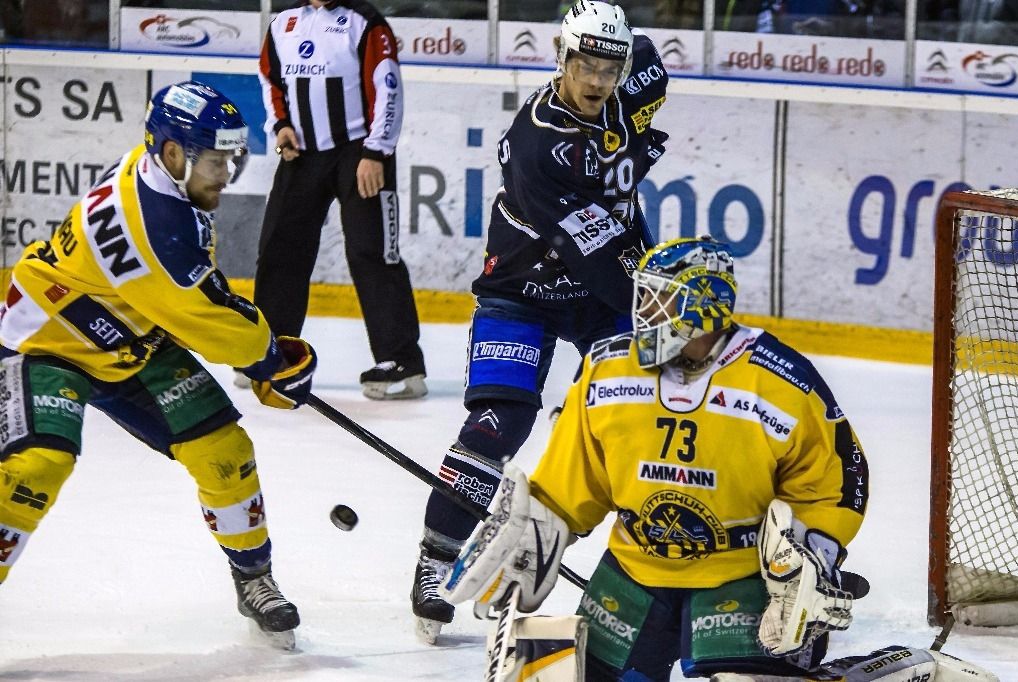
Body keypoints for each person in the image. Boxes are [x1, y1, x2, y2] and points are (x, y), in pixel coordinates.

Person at [441, 237, 1000, 682]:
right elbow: (574, 474)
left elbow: (839, 480)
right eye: (642, 300)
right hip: (637, 564)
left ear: (706, 308)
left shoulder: (780, 381)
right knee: (547, 673)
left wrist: (814, 556)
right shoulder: (608, 369)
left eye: (660, 302)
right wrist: (541, 526)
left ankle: (889, 671)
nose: (643, 316)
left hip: (739, 572)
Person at [0, 81, 317, 650]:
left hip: (128, 334)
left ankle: (253, 579)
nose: (226, 174)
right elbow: (211, 319)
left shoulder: (162, 181)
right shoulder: (158, 228)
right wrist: (272, 358)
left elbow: (185, 306)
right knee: (36, 466)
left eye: (231, 159)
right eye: (216, 160)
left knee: (224, 450)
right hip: (46, 339)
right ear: (173, 153)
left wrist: (264, 355)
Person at [410, 0, 671, 645]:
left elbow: (644, 71)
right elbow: (602, 258)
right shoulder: (538, 149)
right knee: (497, 427)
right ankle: (432, 561)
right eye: (583, 64)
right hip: (524, 289)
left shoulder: (638, 78)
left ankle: (656, 562)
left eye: (608, 68)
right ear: (561, 57)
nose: (595, 82)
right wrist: (655, 310)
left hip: (597, 292)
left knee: (640, 416)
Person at [251, 0, 426, 400]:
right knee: (280, 248)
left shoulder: (365, 23)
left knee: (373, 251)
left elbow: (388, 89)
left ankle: (401, 361)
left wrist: (376, 152)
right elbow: (269, 78)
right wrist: (279, 126)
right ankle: (270, 350)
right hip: (301, 154)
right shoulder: (282, 23)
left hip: (358, 154)